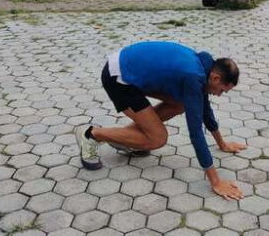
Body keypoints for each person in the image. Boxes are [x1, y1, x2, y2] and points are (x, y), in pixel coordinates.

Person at [74, 41, 244, 200]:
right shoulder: (193, 77)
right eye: (222, 90)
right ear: (215, 78)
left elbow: (204, 108)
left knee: (181, 104)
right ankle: (91, 134)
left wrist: (222, 144)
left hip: (129, 69)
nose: (219, 95)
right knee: (158, 138)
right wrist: (216, 182)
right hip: (118, 79)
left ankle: (126, 139)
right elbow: (196, 132)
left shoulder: (203, 67)